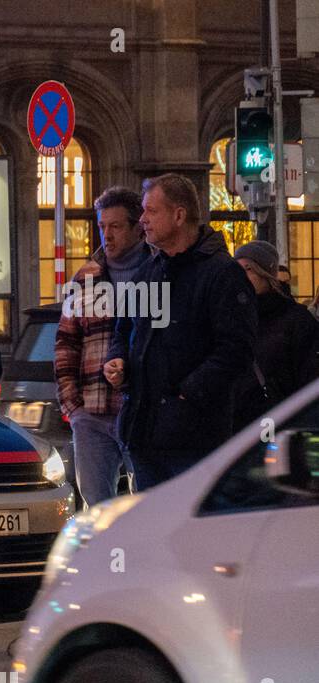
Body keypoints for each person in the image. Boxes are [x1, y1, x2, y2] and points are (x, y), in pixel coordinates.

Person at [104, 174, 256, 490]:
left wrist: (189, 391)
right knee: (153, 530)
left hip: (194, 437)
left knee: (192, 534)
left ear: (179, 215)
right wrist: (118, 360)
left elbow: (236, 348)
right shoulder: (150, 271)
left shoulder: (221, 274)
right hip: (143, 432)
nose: (142, 220)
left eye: (151, 211)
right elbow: (125, 327)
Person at [55, 186, 150, 506]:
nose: (106, 235)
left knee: (148, 503)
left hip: (142, 410)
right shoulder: (87, 277)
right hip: (93, 413)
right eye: (101, 226)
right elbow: (66, 341)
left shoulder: (157, 272)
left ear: (138, 227)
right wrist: (73, 406)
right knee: (96, 508)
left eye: (116, 226)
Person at [230, 240, 319, 433]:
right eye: (237, 270)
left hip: (278, 422)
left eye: (248, 269)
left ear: (265, 274)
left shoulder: (296, 319)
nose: (241, 276)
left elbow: (308, 377)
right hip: (236, 424)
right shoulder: (231, 317)